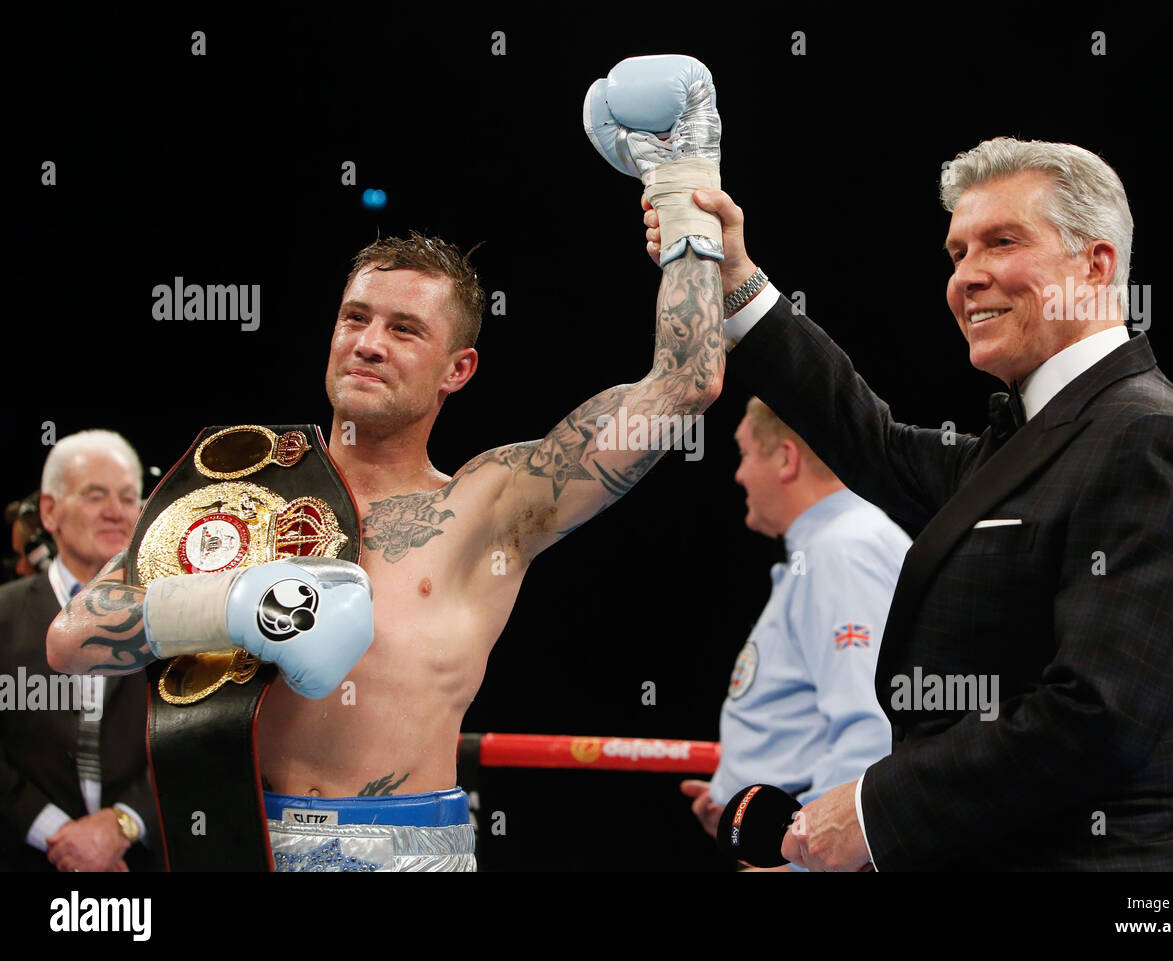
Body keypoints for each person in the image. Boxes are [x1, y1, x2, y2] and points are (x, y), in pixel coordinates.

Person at [48, 57, 725, 872]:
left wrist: (685, 181)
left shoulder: (493, 505)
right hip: (227, 838)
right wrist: (230, 603)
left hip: (407, 849)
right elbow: (72, 636)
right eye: (355, 317)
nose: (368, 342)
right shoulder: (238, 488)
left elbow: (686, 380)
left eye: (404, 329)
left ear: (457, 370)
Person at [644, 137, 1173, 871]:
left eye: (1002, 241)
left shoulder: (1148, 438)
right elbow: (873, 442)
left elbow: (1096, 717)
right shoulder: (1031, 436)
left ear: (1096, 265)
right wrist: (737, 279)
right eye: (957, 252)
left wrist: (872, 809)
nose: (967, 277)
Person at [681, 398, 908, 870]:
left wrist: (806, 863)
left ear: (786, 459)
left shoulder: (845, 550)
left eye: (745, 454)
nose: (739, 474)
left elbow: (873, 727)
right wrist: (736, 790)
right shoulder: (836, 545)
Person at [1, 430, 158, 871]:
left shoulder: (179, 616)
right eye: (95, 496)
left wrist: (121, 827)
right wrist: (62, 839)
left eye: (129, 498)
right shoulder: (3, 615)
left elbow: (201, 742)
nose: (116, 513)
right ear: (50, 511)